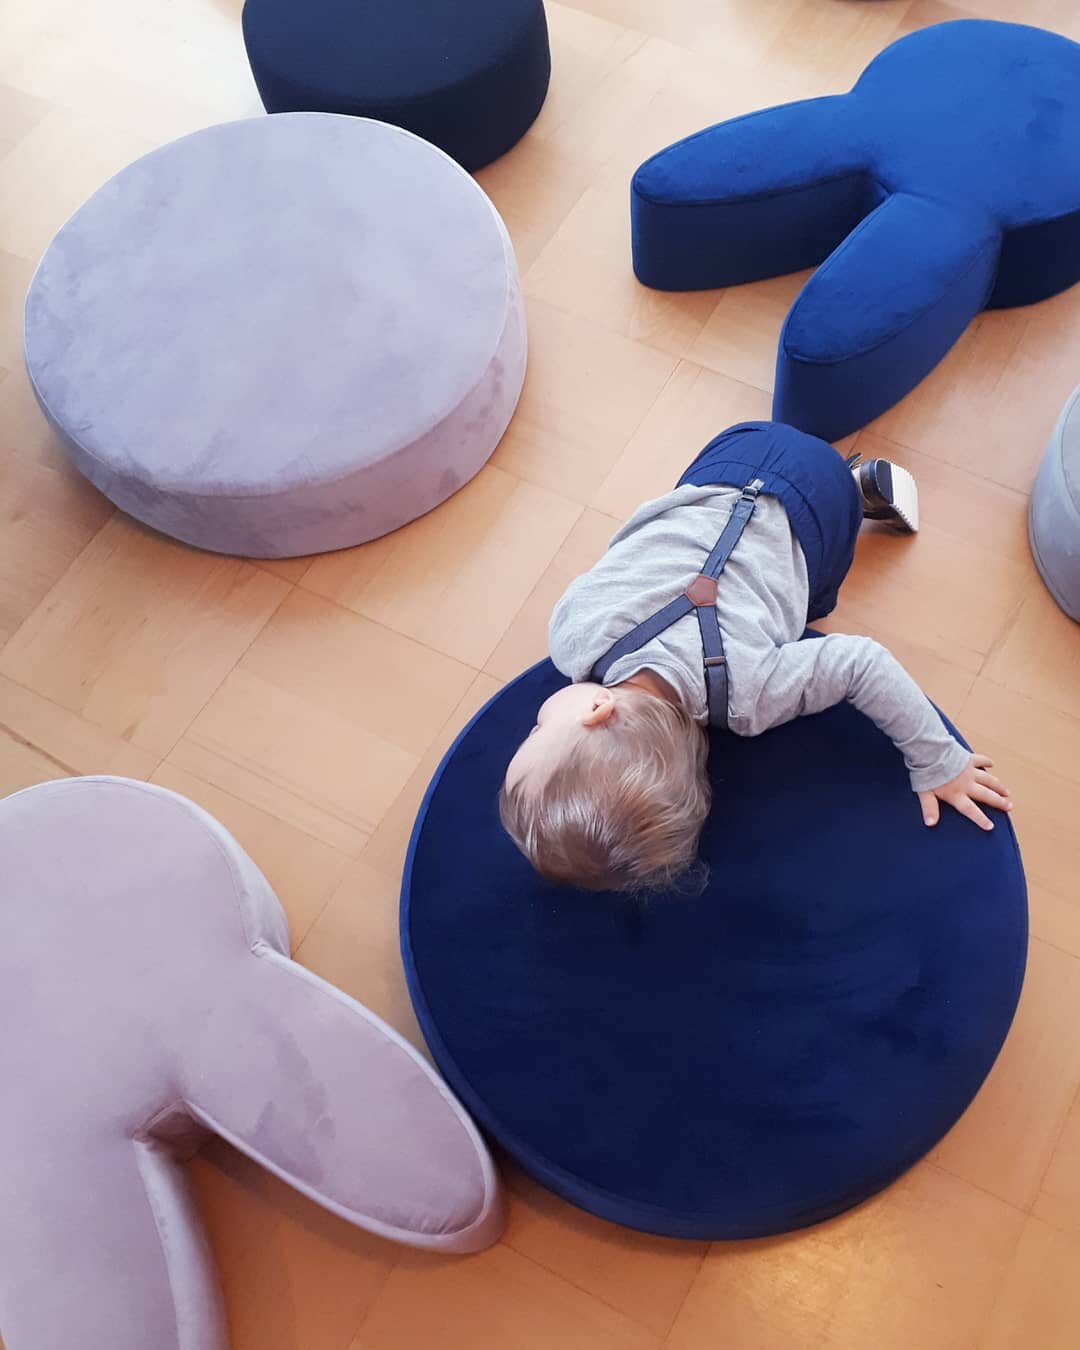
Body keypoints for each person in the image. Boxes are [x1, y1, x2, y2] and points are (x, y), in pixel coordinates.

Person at [499, 421, 1012, 893]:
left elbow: (862, 664)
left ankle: (855, 491)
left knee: (810, 600)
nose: (533, 722)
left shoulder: (750, 697)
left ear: (598, 709)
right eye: (536, 733)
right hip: (732, 456)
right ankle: (845, 476)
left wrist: (937, 761)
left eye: (534, 731)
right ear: (595, 710)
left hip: (820, 508)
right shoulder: (576, 631)